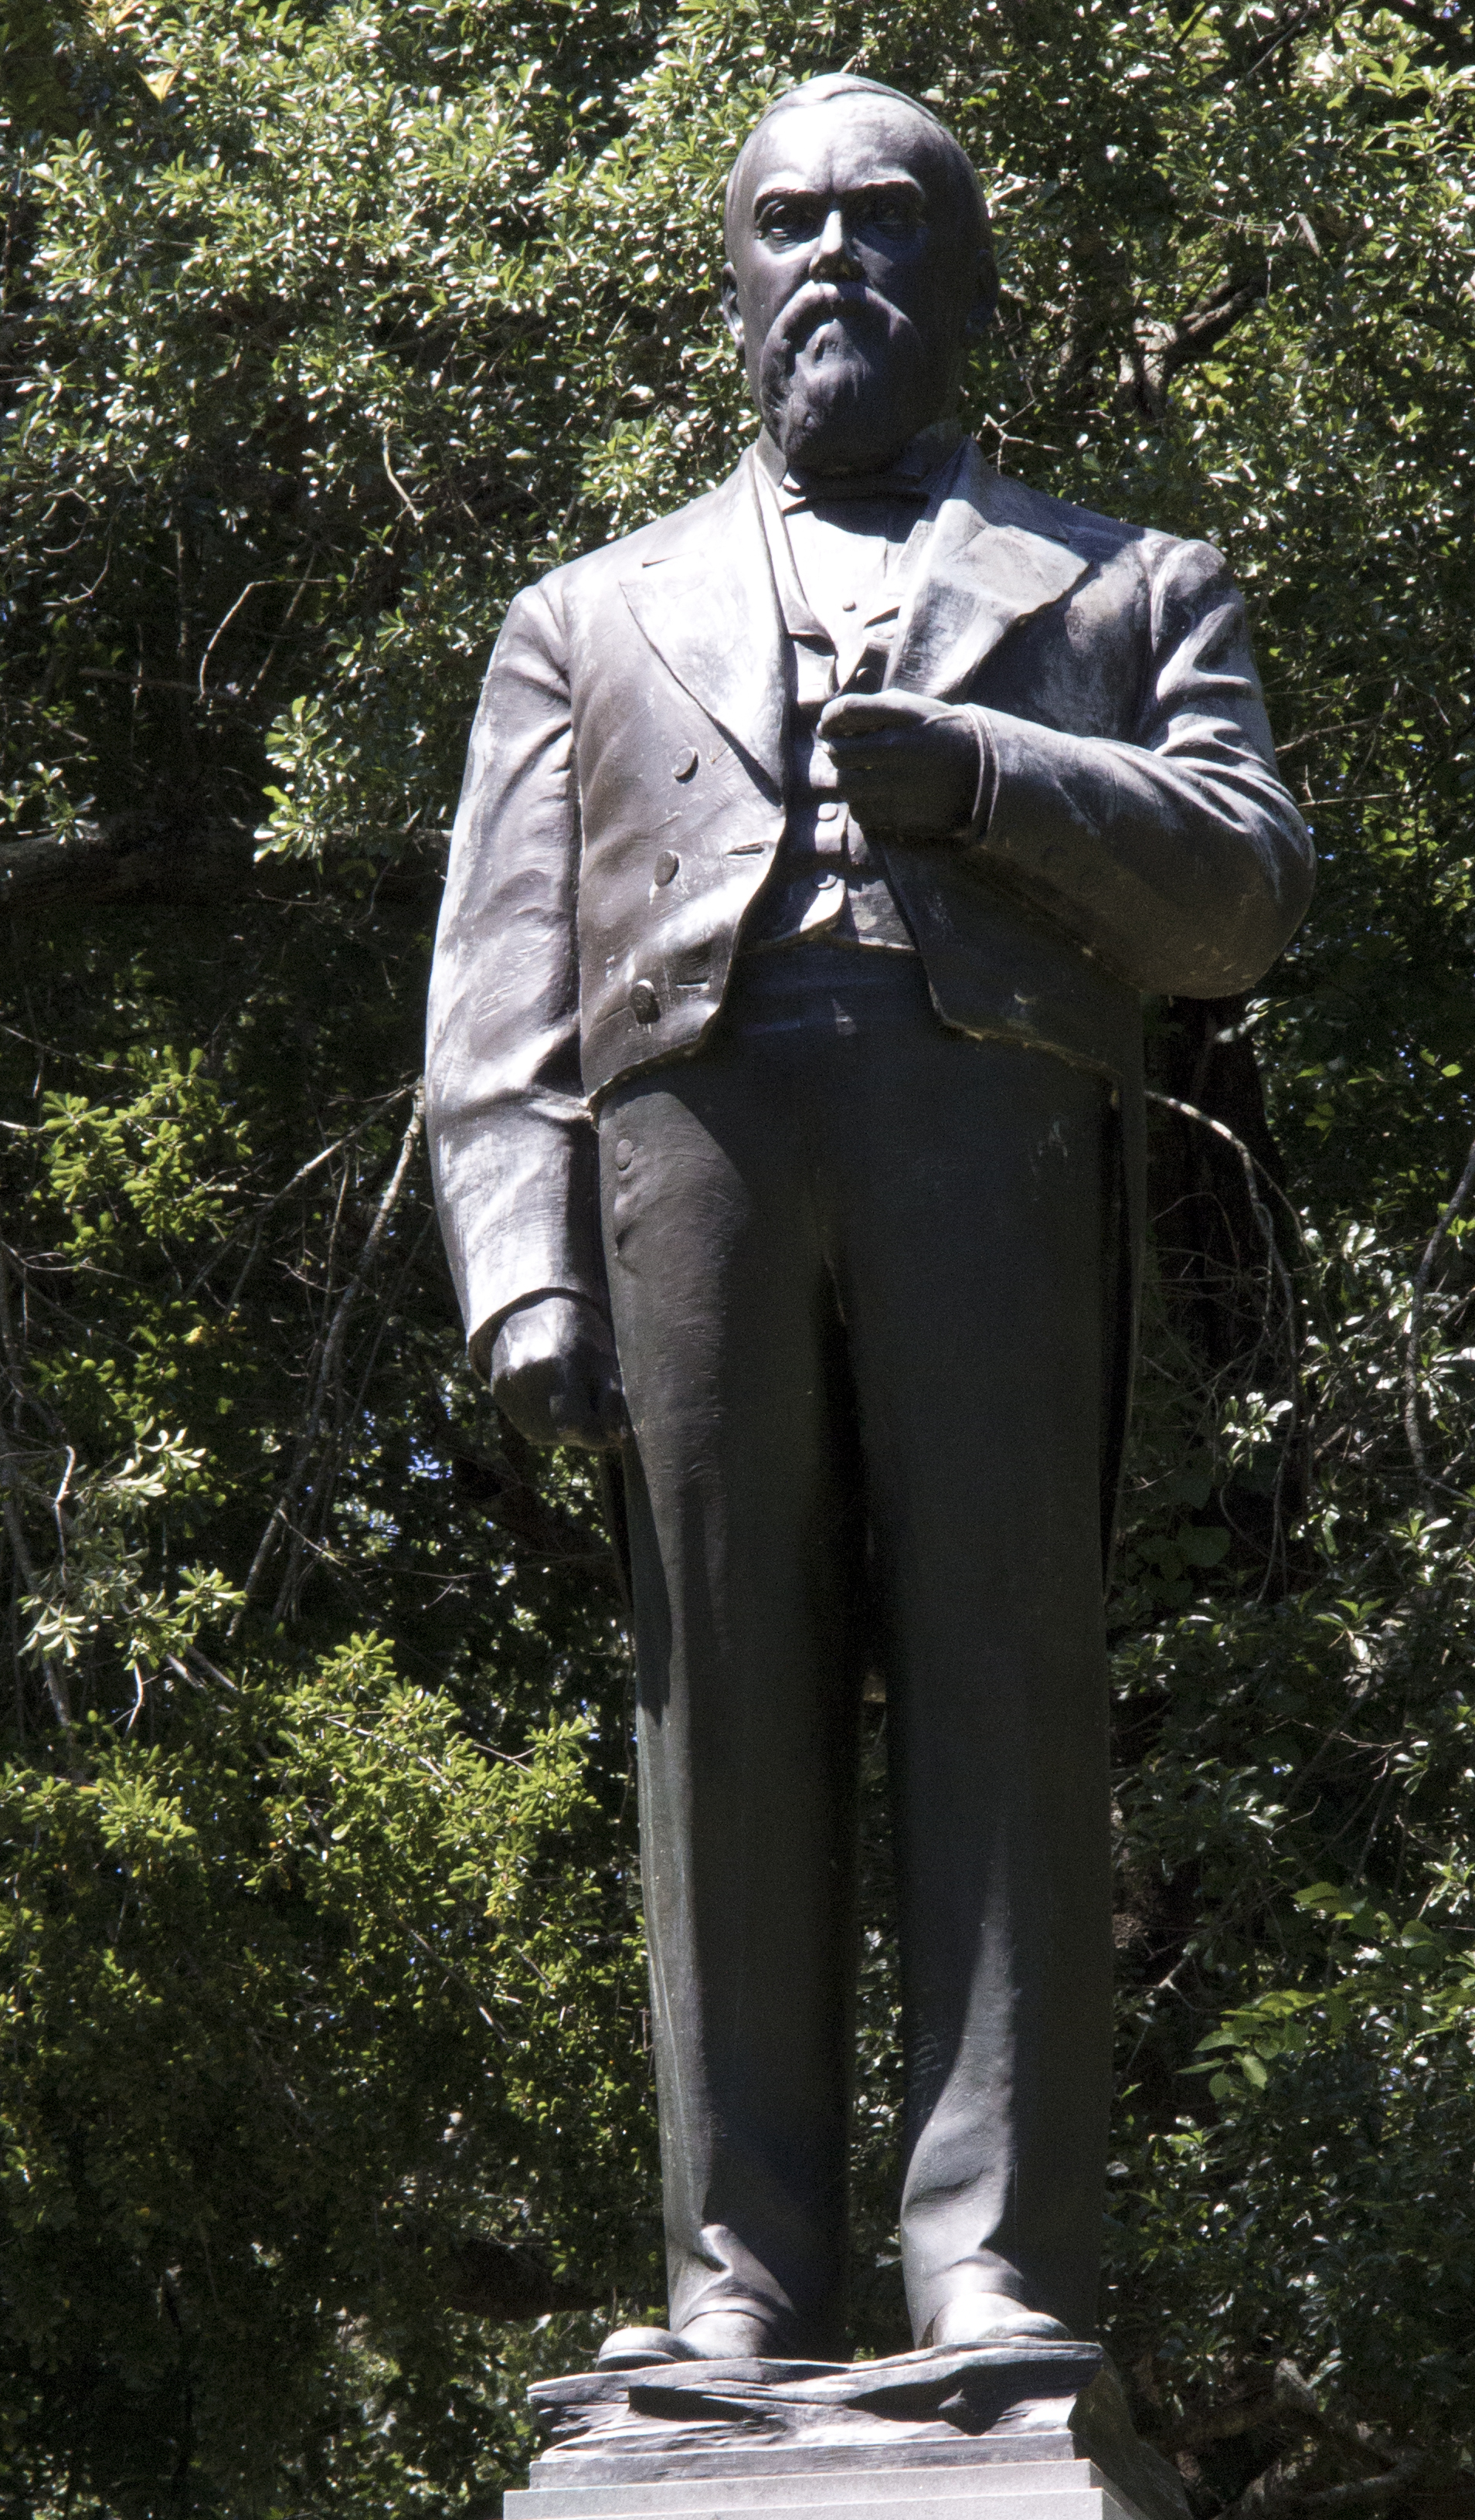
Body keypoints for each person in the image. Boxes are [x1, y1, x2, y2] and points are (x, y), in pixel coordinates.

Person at [425, 75, 1314, 2365]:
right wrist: (526, 1264)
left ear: (971, 276)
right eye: (789, 223)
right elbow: (497, 986)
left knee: (1004, 1683)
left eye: (886, 220)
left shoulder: (1126, 585)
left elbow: (1244, 892)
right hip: (689, 1170)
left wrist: (999, 781)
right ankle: (741, 2271)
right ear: (731, 281)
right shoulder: (585, 618)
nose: (834, 256)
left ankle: (989, 2259)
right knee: (722, 1710)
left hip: (992, 1140)